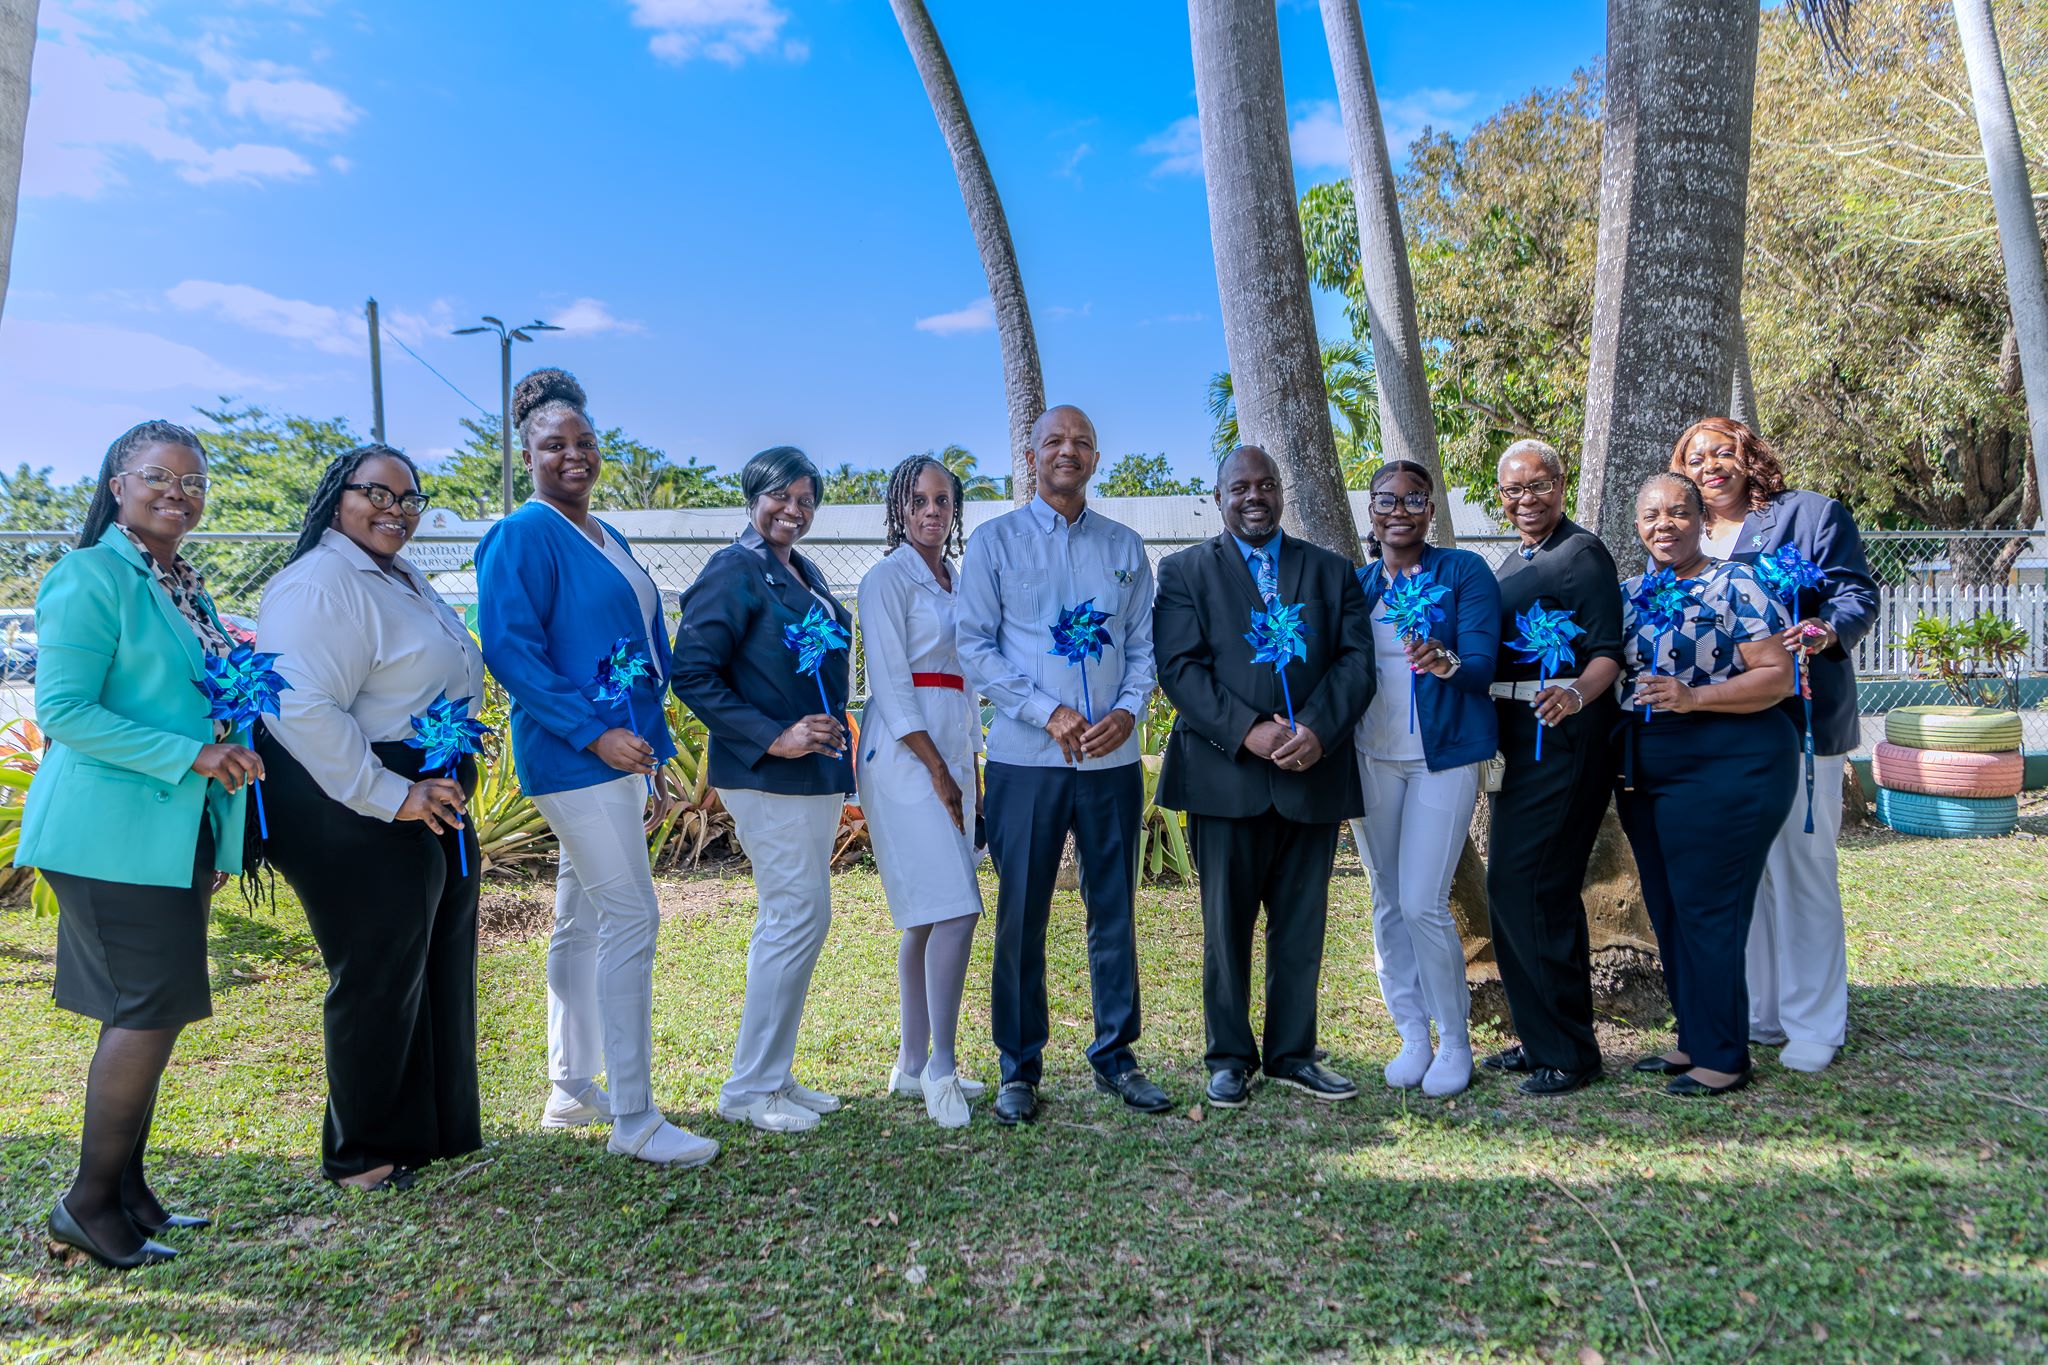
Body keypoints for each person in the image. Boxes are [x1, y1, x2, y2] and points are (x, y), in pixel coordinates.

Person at [18, 421, 259, 1267]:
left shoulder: (182, 586)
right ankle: (87, 1202)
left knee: (146, 1011)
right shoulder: (90, 576)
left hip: (170, 830)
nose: (178, 493)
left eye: (193, 483)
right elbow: (67, 711)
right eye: (158, 476)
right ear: (118, 483)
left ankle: (129, 1190)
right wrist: (196, 753)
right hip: (107, 836)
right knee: (148, 1010)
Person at [478, 368, 717, 1168]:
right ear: (528, 451)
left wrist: (650, 759)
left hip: (620, 754)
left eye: (583, 442)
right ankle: (638, 1117)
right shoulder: (522, 533)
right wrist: (594, 735)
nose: (572, 455)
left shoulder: (604, 532)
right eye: (554, 445)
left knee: (581, 920)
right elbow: (514, 651)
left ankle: (573, 1087)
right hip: (571, 757)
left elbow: (646, 654)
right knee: (633, 917)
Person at [255, 445, 485, 1190]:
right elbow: (299, 706)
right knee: (378, 973)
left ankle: (431, 1131)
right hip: (353, 799)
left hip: (426, 791)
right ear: (336, 497)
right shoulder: (321, 583)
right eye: (377, 494)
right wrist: (394, 793)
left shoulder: (398, 574)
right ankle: (362, 1154)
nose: (396, 509)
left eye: (410, 498)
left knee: (433, 966)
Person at [956, 404, 1166, 1125]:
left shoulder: (1125, 547)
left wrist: (1128, 711)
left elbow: (1142, 647)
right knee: (1022, 914)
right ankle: (1019, 1064)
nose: (1066, 451)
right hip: (1028, 759)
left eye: (1081, 441)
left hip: (1109, 761)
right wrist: (1047, 711)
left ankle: (1117, 1053)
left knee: (1114, 908)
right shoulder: (994, 543)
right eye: (1054, 441)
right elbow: (975, 646)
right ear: (1031, 454)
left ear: (1096, 457)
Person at [1152, 447, 1375, 1109]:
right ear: (1217, 496)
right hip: (1226, 776)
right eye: (1240, 486)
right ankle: (1228, 1057)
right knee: (1226, 926)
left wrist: (1316, 729)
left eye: (1266, 484)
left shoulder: (1332, 571)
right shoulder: (1185, 571)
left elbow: (1357, 664)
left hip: (1313, 770)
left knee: (1302, 923)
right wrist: (1250, 729)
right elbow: (1181, 668)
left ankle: (1292, 1052)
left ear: (1281, 493)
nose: (1255, 496)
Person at [1673, 416, 1877, 1074]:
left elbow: (1857, 592)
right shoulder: (1684, 532)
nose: (1710, 464)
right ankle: (1762, 1007)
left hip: (1797, 719)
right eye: (1696, 456)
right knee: (1744, 871)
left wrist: (1824, 629)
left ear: (1747, 455)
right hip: (1718, 724)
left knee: (1800, 865)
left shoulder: (1809, 515)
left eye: (1723, 451)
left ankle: (1816, 1020)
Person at [672, 445, 855, 1135]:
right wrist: (772, 734)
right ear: (754, 496)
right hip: (768, 775)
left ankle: (774, 1073)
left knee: (804, 918)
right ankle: (748, 1087)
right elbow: (691, 672)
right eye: (782, 495)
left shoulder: (798, 570)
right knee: (792, 915)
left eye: (807, 499)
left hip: (814, 776)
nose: (795, 509)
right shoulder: (735, 568)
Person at [1618, 471, 1797, 1097]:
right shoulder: (1631, 592)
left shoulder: (1735, 583)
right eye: (1650, 515)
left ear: (1701, 520)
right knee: (1668, 907)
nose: (1663, 525)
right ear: (1637, 524)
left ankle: (1724, 1056)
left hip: (1730, 760)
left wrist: (1697, 697)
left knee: (1709, 908)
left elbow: (1777, 677)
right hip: (1649, 765)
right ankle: (1693, 1037)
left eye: (1677, 513)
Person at [1478, 440, 1624, 1096]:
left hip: (1565, 741)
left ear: (1561, 485)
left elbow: (1607, 653)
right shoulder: (1514, 559)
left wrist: (1575, 694)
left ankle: (1570, 1052)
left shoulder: (1583, 554)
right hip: (1516, 741)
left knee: (1537, 887)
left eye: (1537, 486)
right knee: (1513, 888)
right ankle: (1538, 1036)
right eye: (1513, 490)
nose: (1525, 500)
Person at [1352, 460, 1501, 1099]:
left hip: (1444, 755)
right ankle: (1411, 1033)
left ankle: (1454, 1038)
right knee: (1387, 900)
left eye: (1415, 499)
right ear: (1372, 510)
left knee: (1422, 900)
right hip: (1370, 756)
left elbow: (1482, 662)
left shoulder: (1461, 572)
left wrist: (1444, 661)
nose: (1400, 510)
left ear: (1431, 509)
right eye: (1388, 499)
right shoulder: (1356, 585)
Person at [857, 455, 987, 1129]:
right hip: (905, 756)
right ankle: (942, 1065)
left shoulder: (957, 580)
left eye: (942, 500)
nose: (932, 510)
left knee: (928, 914)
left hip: (953, 746)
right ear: (899, 509)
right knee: (957, 908)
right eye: (919, 500)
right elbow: (892, 684)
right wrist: (938, 770)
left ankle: (909, 1065)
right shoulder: (886, 579)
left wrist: (965, 765)